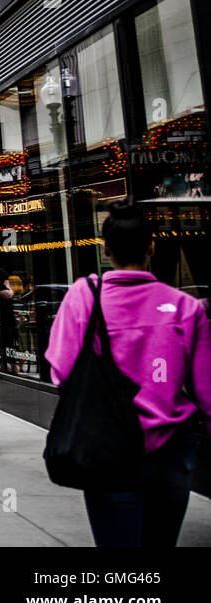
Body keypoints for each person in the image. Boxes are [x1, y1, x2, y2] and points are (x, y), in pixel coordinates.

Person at [44, 199, 211, 548]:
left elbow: (61, 371)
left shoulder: (84, 296)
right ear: (152, 246)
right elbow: (205, 391)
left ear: (105, 249)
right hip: (169, 452)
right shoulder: (185, 307)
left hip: (106, 450)